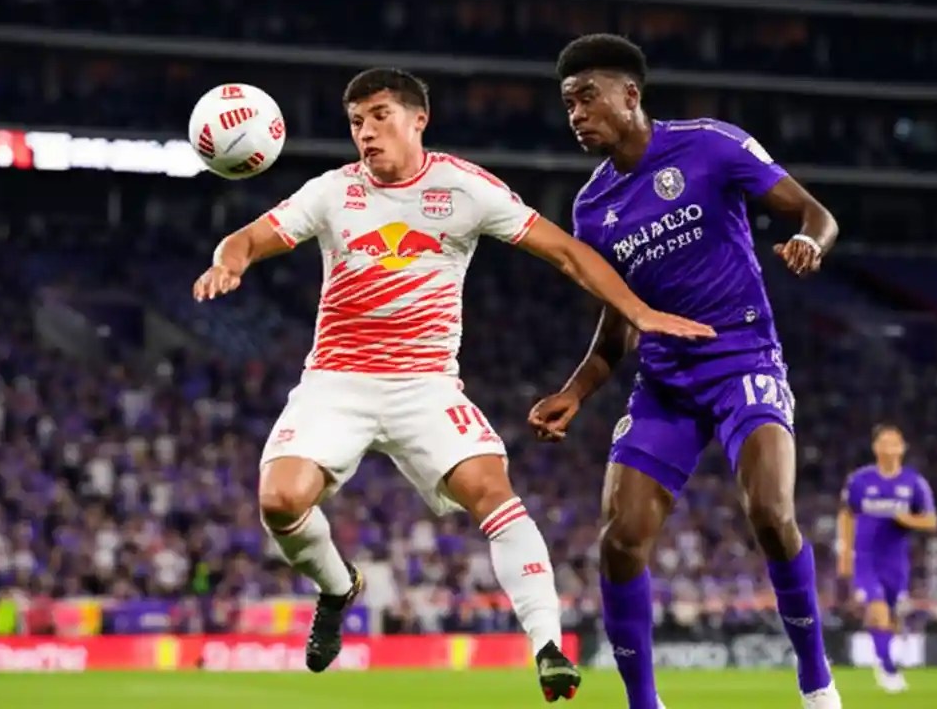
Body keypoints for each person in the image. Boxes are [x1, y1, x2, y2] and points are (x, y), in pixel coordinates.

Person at [193, 67, 714, 702]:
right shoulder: (332, 193)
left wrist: (641, 312)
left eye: (380, 116)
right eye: (357, 122)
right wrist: (229, 261)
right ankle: (337, 587)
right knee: (279, 500)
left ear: (419, 119)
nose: (366, 132)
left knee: (492, 492)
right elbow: (248, 238)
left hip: (426, 386)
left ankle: (548, 645)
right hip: (338, 381)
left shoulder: (463, 189)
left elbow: (568, 254)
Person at [529, 34, 843, 708]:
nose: (576, 114)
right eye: (567, 104)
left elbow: (816, 213)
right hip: (665, 383)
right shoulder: (592, 209)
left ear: (629, 95)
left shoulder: (709, 145)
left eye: (586, 97)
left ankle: (816, 681)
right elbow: (617, 324)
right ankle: (645, 704)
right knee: (620, 541)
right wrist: (575, 392)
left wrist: (810, 244)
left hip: (742, 360)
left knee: (769, 511)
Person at [837, 424, 937, 693]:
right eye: (884, 442)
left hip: (896, 562)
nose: (889, 447)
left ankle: (883, 656)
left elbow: (931, 521)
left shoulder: (914, 482)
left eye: (895, 442)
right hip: (865, 559)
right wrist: (844, 552)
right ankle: (889, 670)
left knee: (890, 617)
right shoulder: (861, 480)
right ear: (875, 448)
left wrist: (909, 519)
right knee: (877, 611)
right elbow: (846, 515)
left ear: (903, 448)